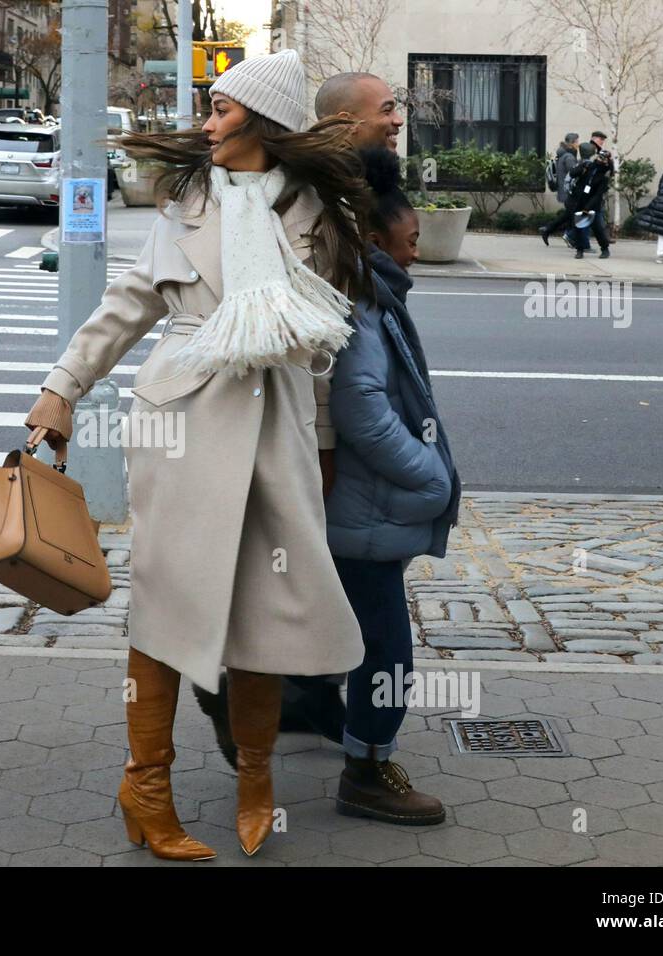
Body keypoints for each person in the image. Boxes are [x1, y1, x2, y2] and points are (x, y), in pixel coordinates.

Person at [24, 49, 372, 860]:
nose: (207, 123)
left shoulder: (317, 212)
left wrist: (324, 445)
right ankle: (146, 785)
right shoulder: (185, 201)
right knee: (169, 603)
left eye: (222, 109)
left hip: (276, 422)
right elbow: (124, 307)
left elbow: (329, 343)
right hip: (181, 420)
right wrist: (61, 388)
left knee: (267, 617)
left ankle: (256, 777)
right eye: (210, 108)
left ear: (263, 121)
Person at [187, 69, 406, 767]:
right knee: (342, 587)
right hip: (282, 430)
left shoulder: (327, 196)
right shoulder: (295, 206)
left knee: (303, 575)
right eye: (386, 110)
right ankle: (347, 750)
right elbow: (325, 350)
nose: (396, 120)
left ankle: (290, 696)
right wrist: (326, 442)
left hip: (303, 429)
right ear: (342, 123)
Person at [326, 147, 459, 825]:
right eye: (408, 244)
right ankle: (367, 771)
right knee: (388, 654)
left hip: (361, 510)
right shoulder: (364, 307)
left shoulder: (376, 296)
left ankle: (328, 728)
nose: (414, 256)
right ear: (375, 242)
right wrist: (430, 476)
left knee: (358, 634)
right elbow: (363, 413)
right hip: (363, 514)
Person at [540, 145, 613, 259]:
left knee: (597, 228)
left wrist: (588, 208)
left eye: (603, 159)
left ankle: (605, 249)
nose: (600, 160)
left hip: (593, 204)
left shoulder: (604, 176)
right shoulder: (588, 166)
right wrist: (581, 166)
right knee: (579, 226)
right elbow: (573, 173)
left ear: (607, 161)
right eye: (599, 157)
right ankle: (580, 250)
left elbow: (598, 195)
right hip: (580, 200)